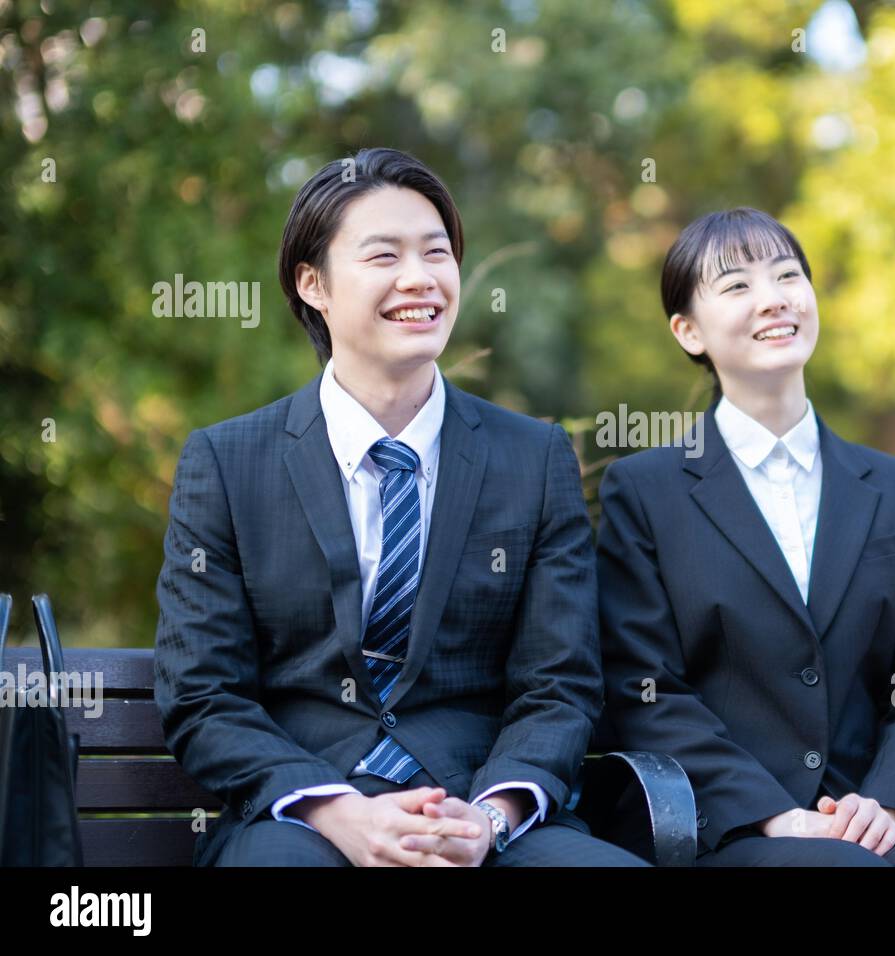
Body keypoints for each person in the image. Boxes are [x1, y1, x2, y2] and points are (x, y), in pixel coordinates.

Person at [154, 147, 646, 867]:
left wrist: (491, 817)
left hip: (480, 811)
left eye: (437, 253)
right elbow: (203, 693)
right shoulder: (228, 464)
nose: (420, 279)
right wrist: (338, 811)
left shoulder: (532, 460)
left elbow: (559, 684)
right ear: (312, 284)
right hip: (304, 822)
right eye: (383, 256)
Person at [596, 207, 895, 866]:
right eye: (737, 285)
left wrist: (887, 801)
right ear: (688, 332)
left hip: (871, 818)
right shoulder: (644, 491)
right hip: (732, 828)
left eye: (787, 275)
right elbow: (644, 688)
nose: (774, 299)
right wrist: (770, 814)